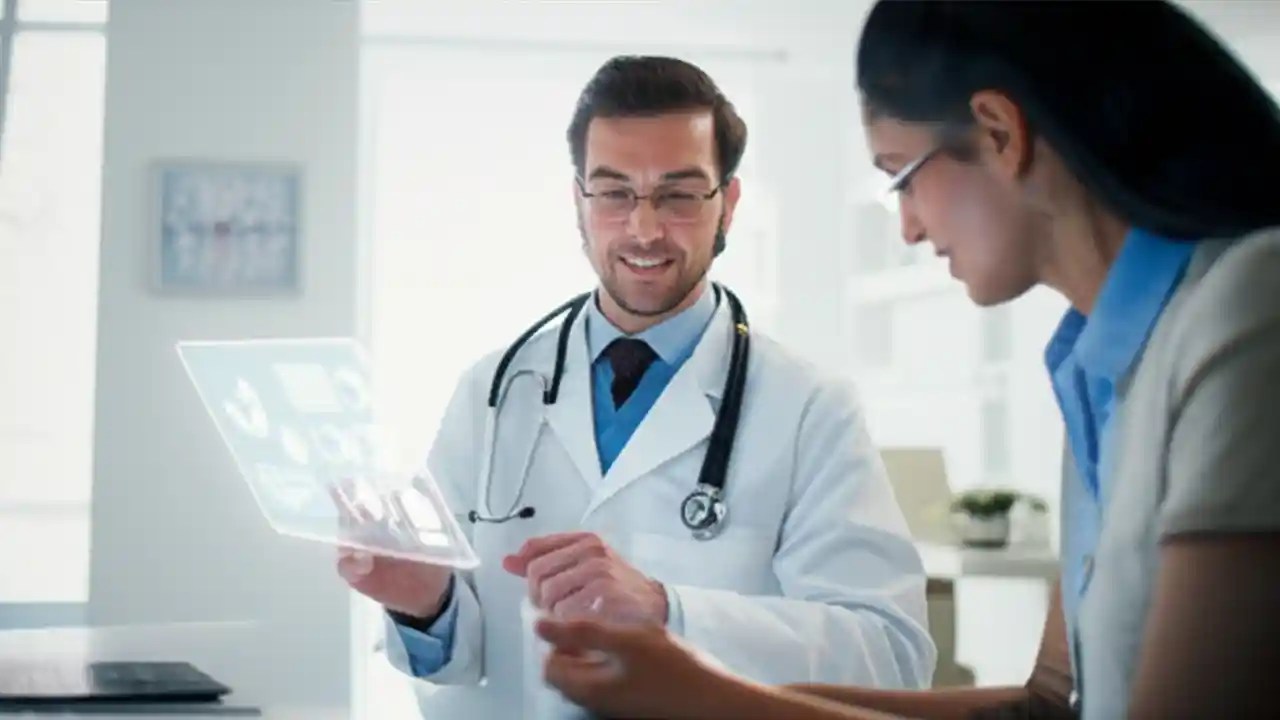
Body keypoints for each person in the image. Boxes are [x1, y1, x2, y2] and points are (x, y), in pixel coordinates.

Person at [531, 2, 1280, 719]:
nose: (910, 227)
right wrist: (696, 689)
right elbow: (1050, 705)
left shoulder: (1249, 311)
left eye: (901, 176)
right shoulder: (1099, 375)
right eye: (614, 193)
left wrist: (709, 695)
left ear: (999, 133)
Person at [337, 54, 936, 718]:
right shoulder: (493, 392)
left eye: (679, 195)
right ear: (579, 202)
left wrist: (666, 611)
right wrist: (423, 604)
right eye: (615, 193)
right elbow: (460, 655)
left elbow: (891, 656)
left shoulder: (808, 408)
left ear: (728, 205)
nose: (644, 230)